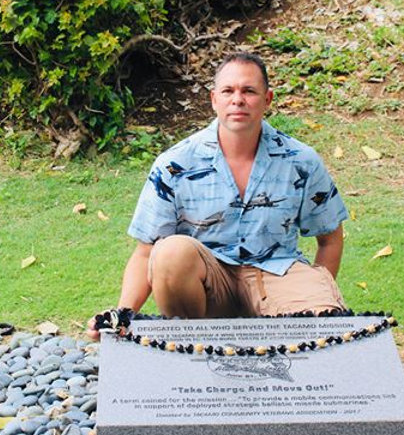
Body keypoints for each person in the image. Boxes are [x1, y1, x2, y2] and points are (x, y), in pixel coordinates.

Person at [89, 52, 348, 338]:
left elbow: (330, 238)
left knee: (326, 324)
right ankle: (192, 346)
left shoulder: (301, 160)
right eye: (228, 91)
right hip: (207, 286)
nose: (238, 99)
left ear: (268, 99)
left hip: (277, 272)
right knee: (169, 251)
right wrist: (122, 314)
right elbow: (146, 253)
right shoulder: (176, 163)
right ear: (214, 99)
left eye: (249, 91)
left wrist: (311, 291)